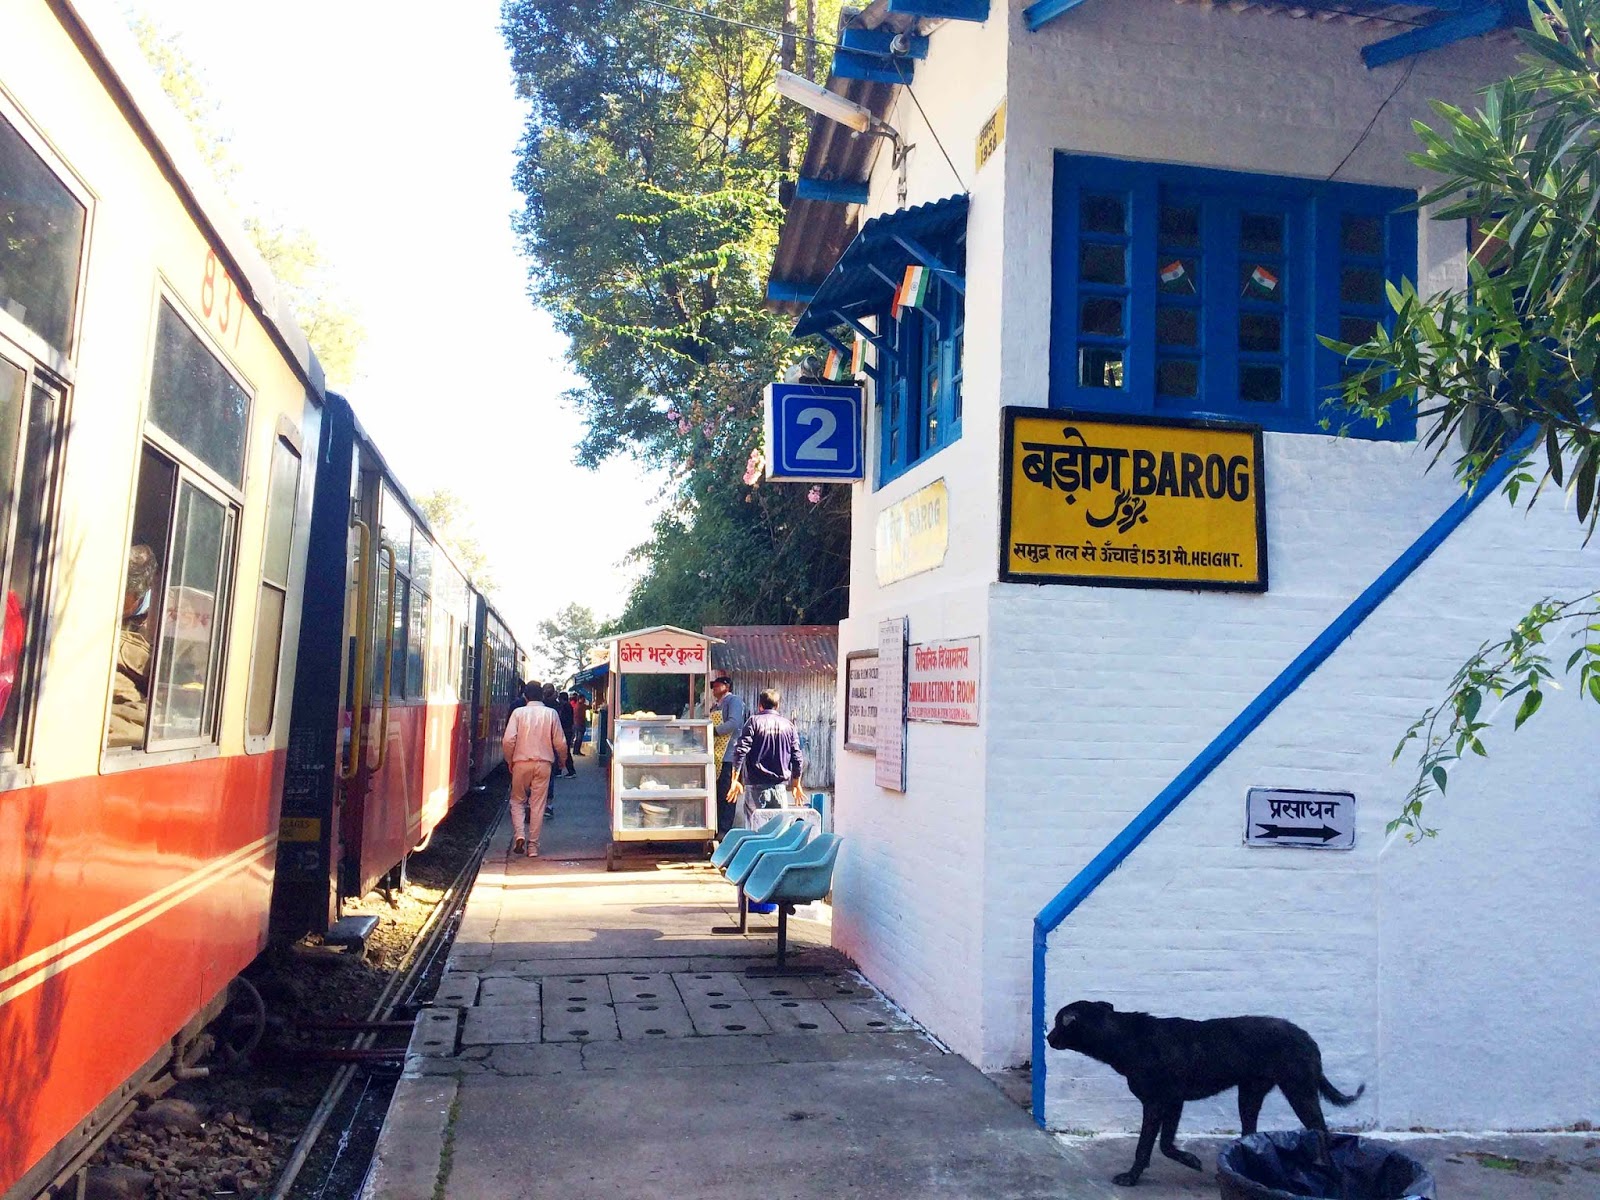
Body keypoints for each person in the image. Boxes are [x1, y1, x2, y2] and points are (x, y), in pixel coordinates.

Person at [501, 680, 568, 857]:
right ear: (542, 696)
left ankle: (520, 835)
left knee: (517, 801)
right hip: (544, 764)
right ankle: (532, 847)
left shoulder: (518, 713)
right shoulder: (551, 714)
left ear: (525, 696)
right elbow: (560, 742)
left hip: (521, 763)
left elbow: (508, 741)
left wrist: (510, 760)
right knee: (538, 805)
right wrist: (563, 760)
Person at [728, 687, 804, 829]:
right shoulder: (788, 725)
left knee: (755, 832)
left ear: (760, 705)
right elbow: (797, 757)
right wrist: (796, 784)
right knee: (779, 832)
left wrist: (734, 780)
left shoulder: (753, 722)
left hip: (756, 785)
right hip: (779, 788)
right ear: (778, 705)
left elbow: (740, 751)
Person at [708, 675, 747, 838]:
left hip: (730, 756)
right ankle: (716, 827)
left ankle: (725, 831)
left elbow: (734, 723)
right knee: (717, 795)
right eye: (713, 686)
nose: (714, 688)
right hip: (717, 756)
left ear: (727, 686)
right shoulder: (715, 706)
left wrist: (713, 732)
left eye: (717, 685)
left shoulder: (734, 701)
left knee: (728, 794)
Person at [556, 690, 578, 777]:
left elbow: (564, 719)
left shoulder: (565, 706)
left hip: (566, 730)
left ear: (561, 698)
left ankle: (570, 771)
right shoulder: (568, 706)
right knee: (564, 751)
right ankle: (561, 770)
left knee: (565, 751)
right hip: (568, 730)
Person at [569, 691, 589, 756]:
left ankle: (576, 751)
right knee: (579, 738)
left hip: (577, 723)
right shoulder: (580, 706)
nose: (584, 700)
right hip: (579, 724)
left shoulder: (578, 705)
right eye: (583, 699)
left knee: (578, 738)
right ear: (580, 699)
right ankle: (577, 751)